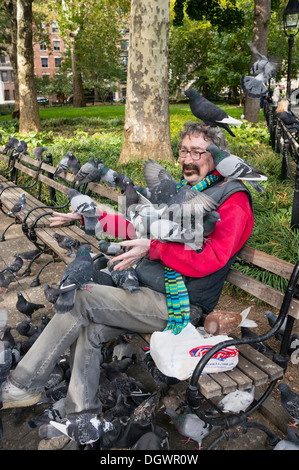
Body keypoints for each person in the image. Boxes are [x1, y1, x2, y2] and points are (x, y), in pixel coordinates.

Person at [1, 121, 254, 444]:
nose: (187, 159)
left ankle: (24, 385)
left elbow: (213, 257)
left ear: (217, 156)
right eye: (183, 151)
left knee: (80, 299)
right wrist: (86, 216)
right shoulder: (190, 190)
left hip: (179, 304)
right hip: (149, 288)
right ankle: (83, 416)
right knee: (90, 330)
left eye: (197, 152)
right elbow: (137, 227)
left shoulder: (233, 199)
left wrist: (156, 247)